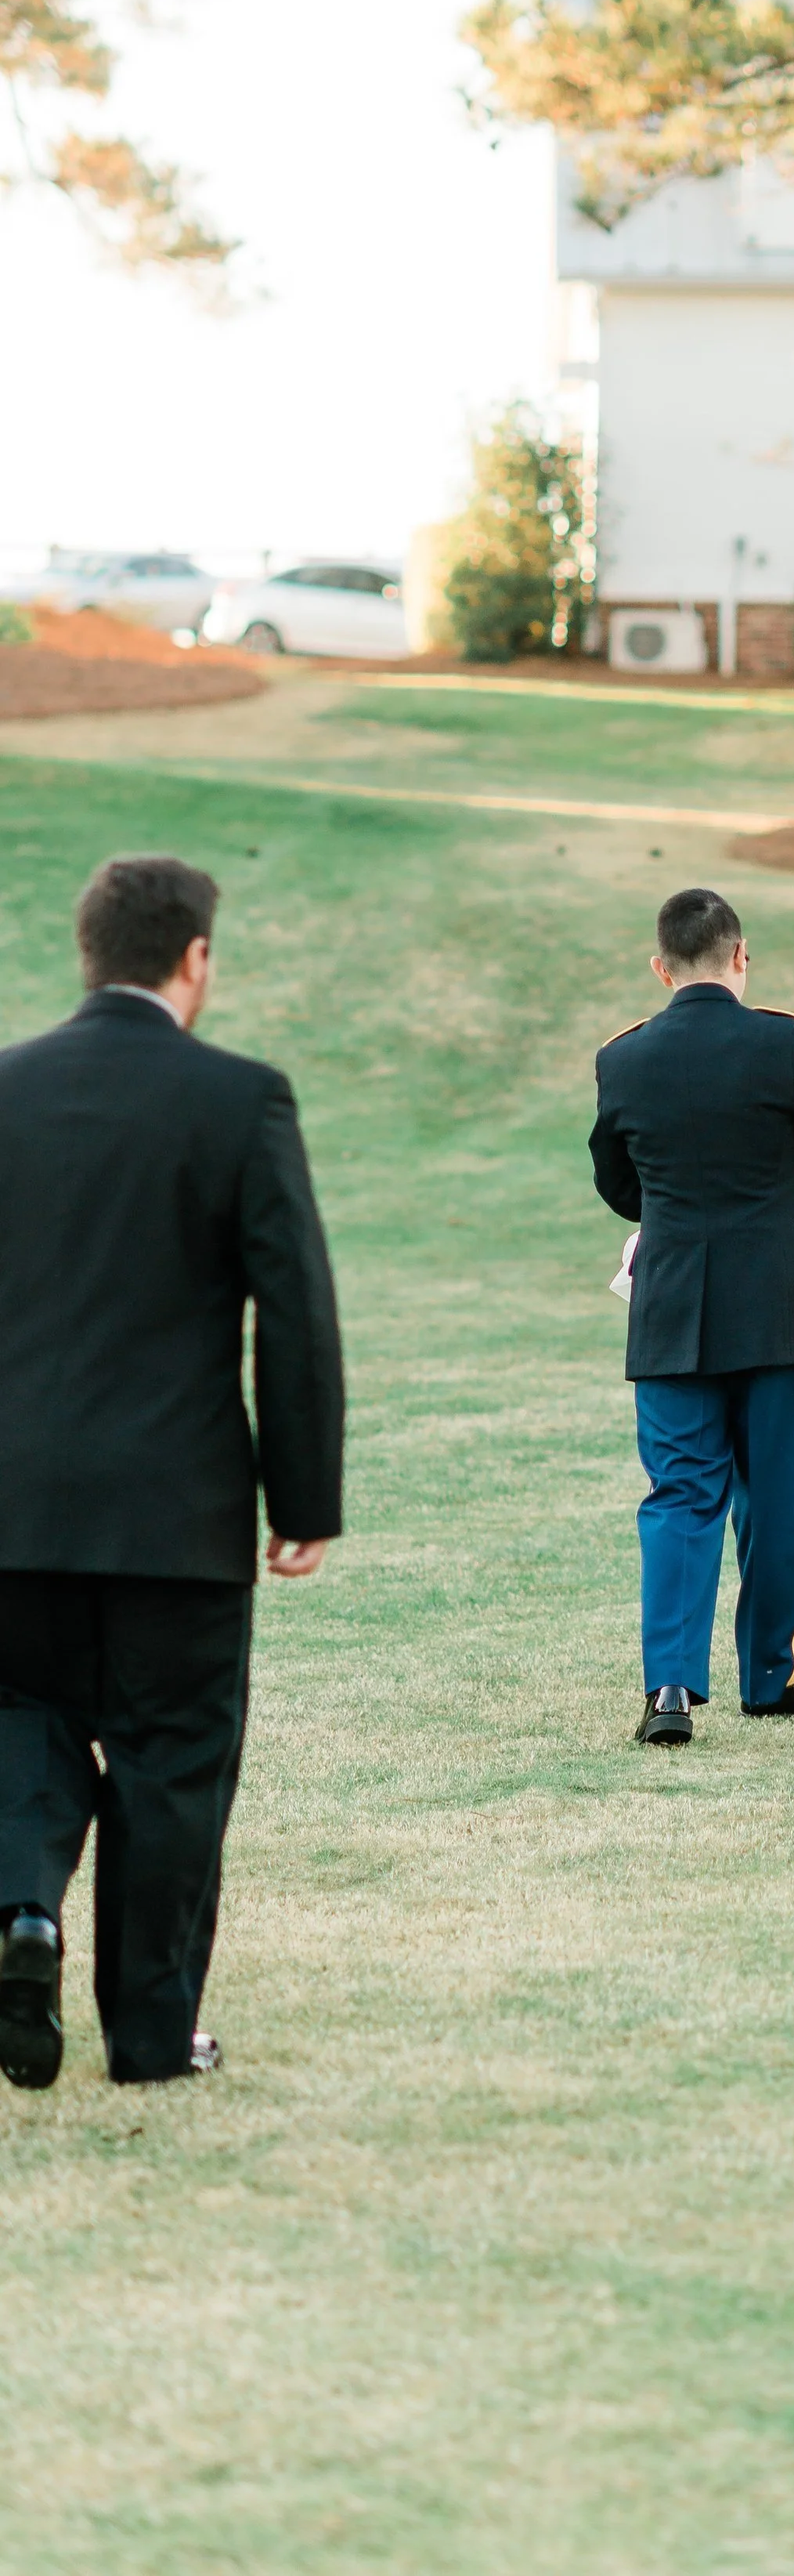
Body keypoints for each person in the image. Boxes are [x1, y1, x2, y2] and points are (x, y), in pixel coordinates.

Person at [0, 855, 344, 2092]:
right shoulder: (240, 1098)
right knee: (170, 1766)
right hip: (174, 1517)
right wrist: (303, 1502)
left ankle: (21, 1912)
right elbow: (293, 1312)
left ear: (86, 951)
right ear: (194, 958)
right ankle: (148, 2041)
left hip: (11, 1513)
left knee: (18, 1722)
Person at [590, 886, 794, 1747]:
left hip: (671, 1308)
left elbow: (621, 1190)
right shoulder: (781, 1042)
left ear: (660, 969)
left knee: (679, 1496)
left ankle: (670, 1695)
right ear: (741, 958)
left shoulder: (623, 1059)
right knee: (774, 1497)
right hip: (775, 1303)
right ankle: (772, 1678)